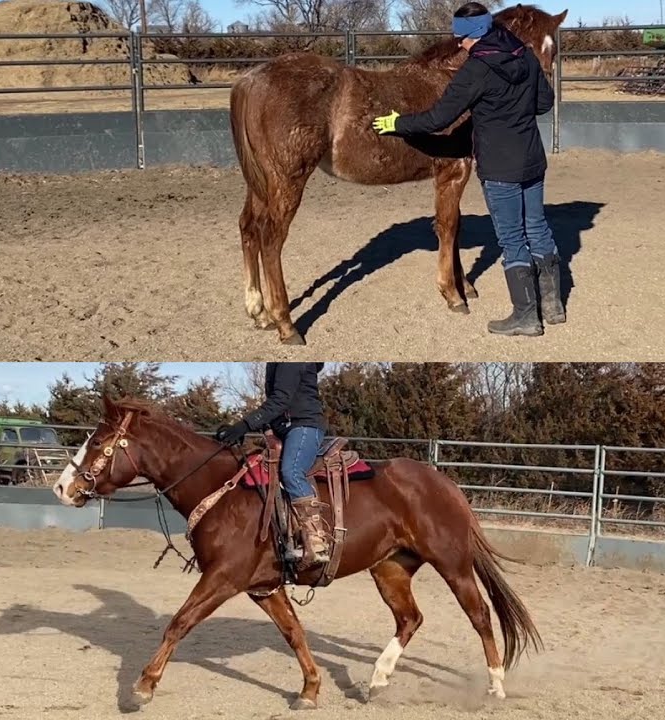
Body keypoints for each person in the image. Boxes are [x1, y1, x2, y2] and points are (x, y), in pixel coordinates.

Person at [372, 2, 565, 337]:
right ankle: (553, 307)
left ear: (473, 36)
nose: (458, 43)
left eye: (461, 38)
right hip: (532, 159)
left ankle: (525, 316)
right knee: (538, 228)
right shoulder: (525, 56)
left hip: (499, 166)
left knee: (512, 238)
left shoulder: (477, 69)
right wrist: (517, 107)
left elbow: (438, 119)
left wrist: (397, 123)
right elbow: (544, 103)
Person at [213, 362, 330, 568]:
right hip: (284, 427)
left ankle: (316, 539)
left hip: (304, 425)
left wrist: (245, 425)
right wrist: (266, 430)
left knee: (292, 471)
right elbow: (274, 401)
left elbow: (281, 399)